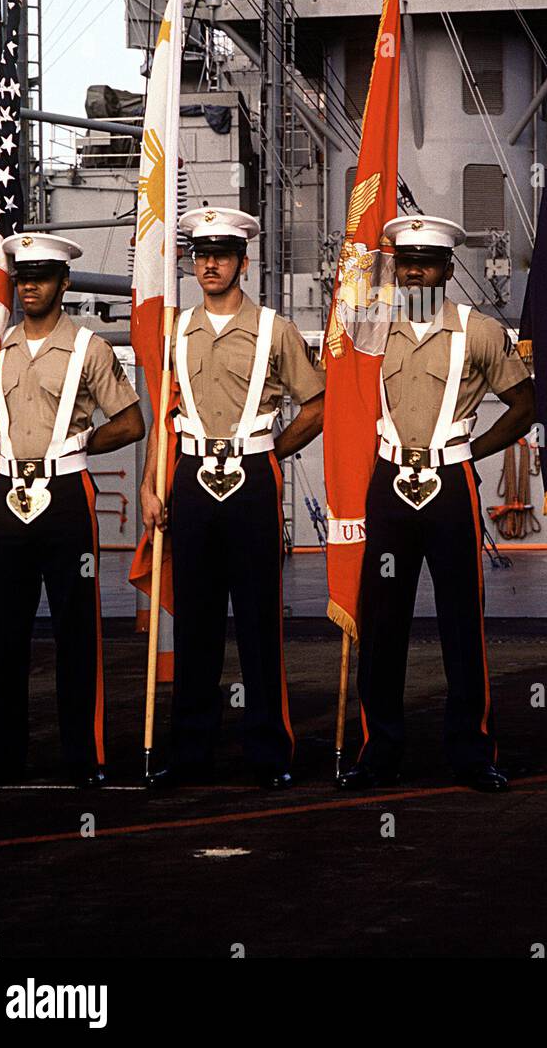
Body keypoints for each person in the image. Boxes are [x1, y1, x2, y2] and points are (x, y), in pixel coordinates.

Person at [338, 215, 536, 794]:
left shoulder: (480, 332)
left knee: (461, 621)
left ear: (449, 269)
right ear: (395, 267)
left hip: (451, 486)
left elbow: (524, 404)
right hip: (389, 484)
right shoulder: (369, 331)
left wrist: (473, 452)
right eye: (405, 260)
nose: (415, 268)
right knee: (381, 622)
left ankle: (472, 753)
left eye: (427, 259)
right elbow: (343, 388)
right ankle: (379, 751)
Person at [142, 207, 325, 790]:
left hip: (253, 479)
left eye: (222, 253)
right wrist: (151, 484)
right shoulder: (176, 331)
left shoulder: (275, 330)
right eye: (201, 254)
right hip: (191, 479)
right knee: (194, 623)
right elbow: (165, 416)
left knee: (258, 621)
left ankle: (270, 751)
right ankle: (191, 753)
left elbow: (317, 404)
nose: (211, 263)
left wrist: (273, 452)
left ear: (243, 261)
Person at [0, 232, 144, 787]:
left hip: (65, 498)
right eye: (22, 276)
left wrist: (83, 446)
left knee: (76, 631)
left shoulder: (90, 348)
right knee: (3, 635)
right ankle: (1, 757)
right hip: (6, 498)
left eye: (41, 275)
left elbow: (132, 422)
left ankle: (84, 757)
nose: (29, 284)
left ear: (64, 283)